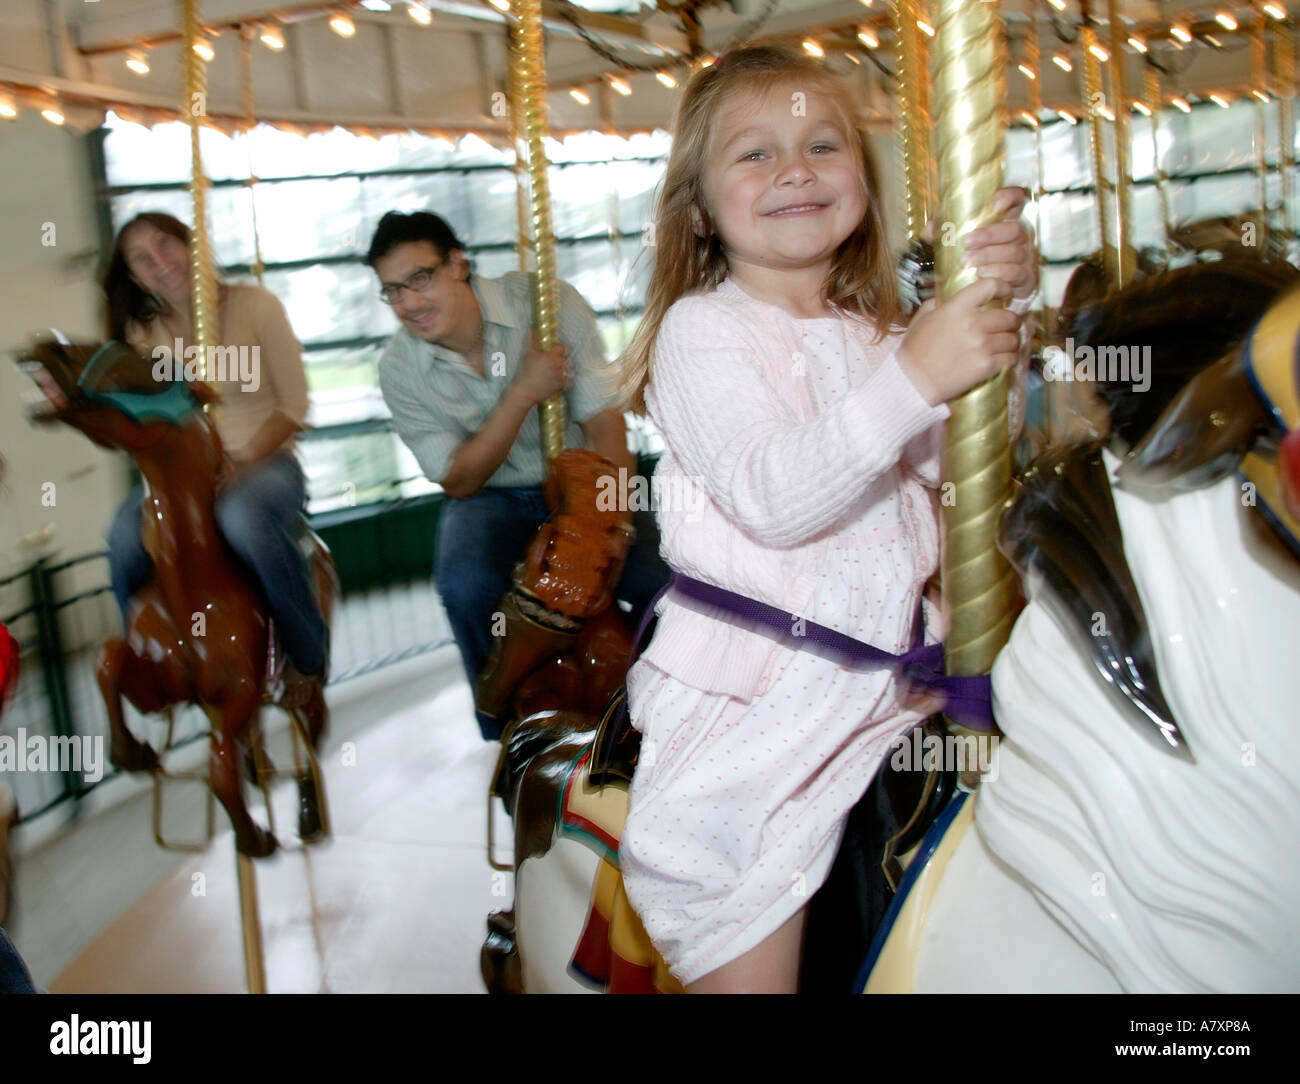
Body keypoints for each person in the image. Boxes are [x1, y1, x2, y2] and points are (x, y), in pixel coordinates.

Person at [616, 46, 1038, 993]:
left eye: (822, 145)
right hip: (759, 705)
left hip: (896, 685)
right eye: (755, 155)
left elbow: (972, 458)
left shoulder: (879, 337)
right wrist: (918, 374)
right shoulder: (704, 333)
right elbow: (772, 496)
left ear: (864, 181)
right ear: (700, 206)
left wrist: (996, 308)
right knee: (747, 912)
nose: (795, 169)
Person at [369, 211, 669, 740]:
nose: (409, 303)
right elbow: (458, 479)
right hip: (491, 496)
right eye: (392, 291)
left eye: (421, 278)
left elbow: (604, 425)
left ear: (458, 264)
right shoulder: (399, 368)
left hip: (584, 476)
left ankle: (671, 706)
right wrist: (524, 392)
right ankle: (504, 728)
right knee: (464, 585)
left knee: (664, 582)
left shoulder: (547, 305)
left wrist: (613, 520)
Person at [102, 213, 328, 703]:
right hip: (183, 479)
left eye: (166, 245)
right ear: (134, 277)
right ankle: (147, 657)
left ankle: (305, 654)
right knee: (123, 537)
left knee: (241, 518)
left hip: (265, 463)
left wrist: (241, 461)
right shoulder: (146, 337)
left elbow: (295, 406)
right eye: (142, 258)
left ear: (191, 245)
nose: (159, 262)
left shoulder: (256, 306)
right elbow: (141, 422)